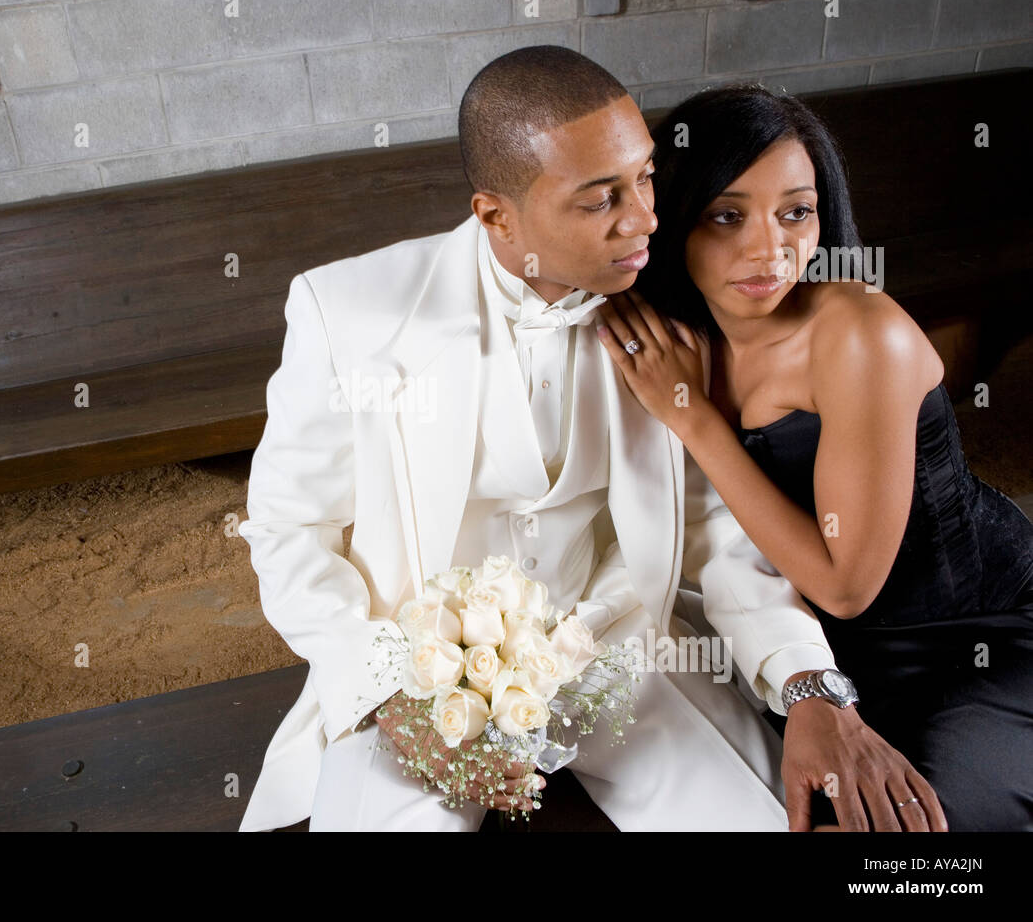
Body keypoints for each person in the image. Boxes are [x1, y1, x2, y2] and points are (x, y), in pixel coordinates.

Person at [237, 47, 938, 832]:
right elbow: (289, 529)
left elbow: (716, 530)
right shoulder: (350, 313)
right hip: (422, 679)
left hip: (622, 652)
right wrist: (385, 688)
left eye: (643, 178)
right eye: (601, 199)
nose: (645, 217)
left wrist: (807, 682)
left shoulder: (673, 310)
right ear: (497, 216)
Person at [598, 83, 1033, 830]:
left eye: (795, 212)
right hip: (814, 645)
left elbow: (844, 585)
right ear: (673, 222)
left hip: (977, 642)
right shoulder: (673, 334)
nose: (770, 248)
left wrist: (694, 418)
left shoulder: (862, 333)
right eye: (727, 216)